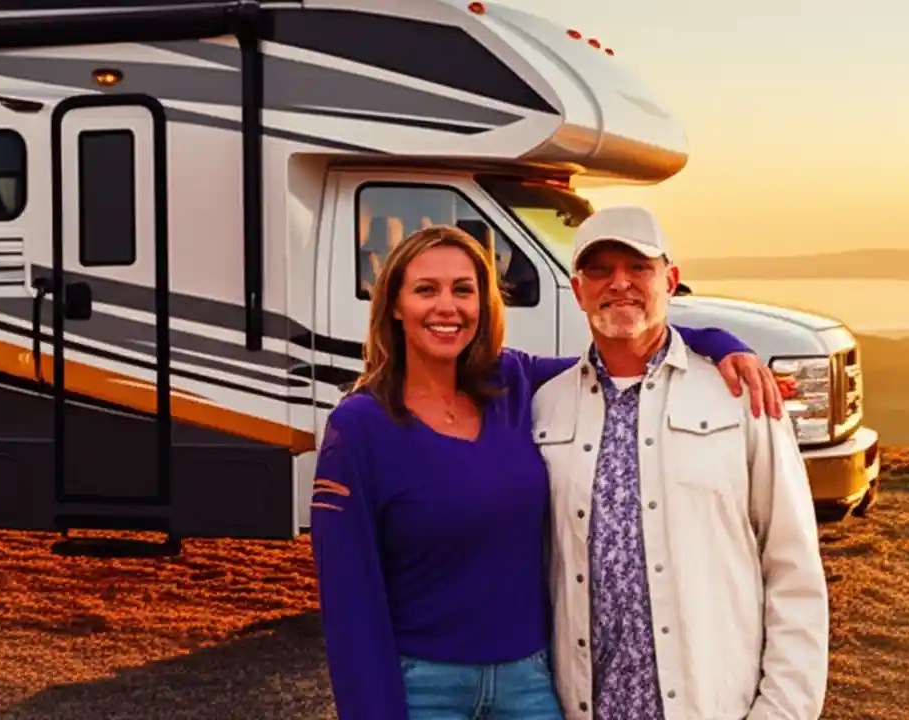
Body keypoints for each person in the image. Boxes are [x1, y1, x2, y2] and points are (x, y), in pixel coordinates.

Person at [309, 224, 782, 719]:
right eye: (426, 289)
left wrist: (721, 342)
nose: (447, 307)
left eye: (464, 290)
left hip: (528, 684)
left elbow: (624, 347)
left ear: (484, 305)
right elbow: (349, 602)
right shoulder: (359, 426)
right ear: (395, 306)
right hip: (423, 688)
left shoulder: (511, 385)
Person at [531, 206, 831, 720]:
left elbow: (793, 569)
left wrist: (782, 711)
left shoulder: (740, 398)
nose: (619, 283)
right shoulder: (545, 407)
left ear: (670, 280)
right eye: (600, 270)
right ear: (578, 290)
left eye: (639, 268)